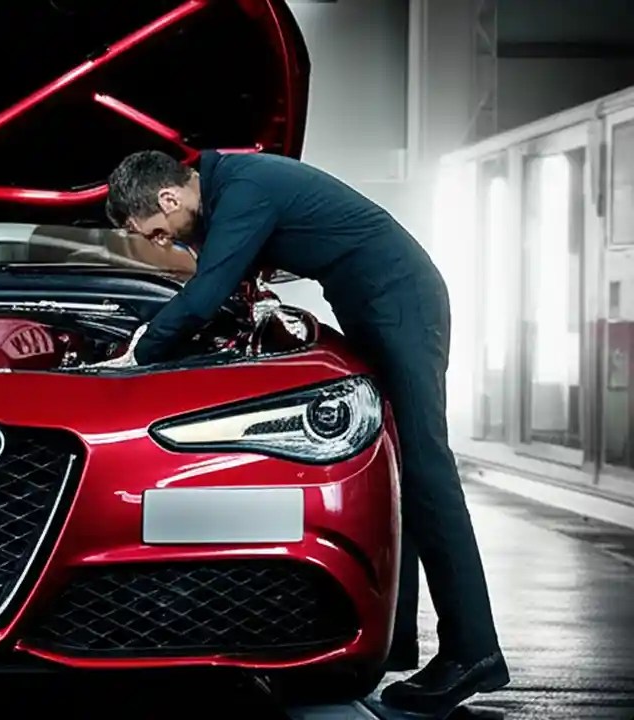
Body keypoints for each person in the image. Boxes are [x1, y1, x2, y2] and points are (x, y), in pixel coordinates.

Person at [102, 149, 509, 715]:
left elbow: (204, 295)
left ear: (168, 199)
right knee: (397, 471)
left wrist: (137, 353)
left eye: (151, 231)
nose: (158, 241)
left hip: (402, 305)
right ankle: (397, 640)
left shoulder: (246, 191)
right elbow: (224, 280)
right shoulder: (227, 195)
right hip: (378, 304)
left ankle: (474, 652)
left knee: (425, 473)